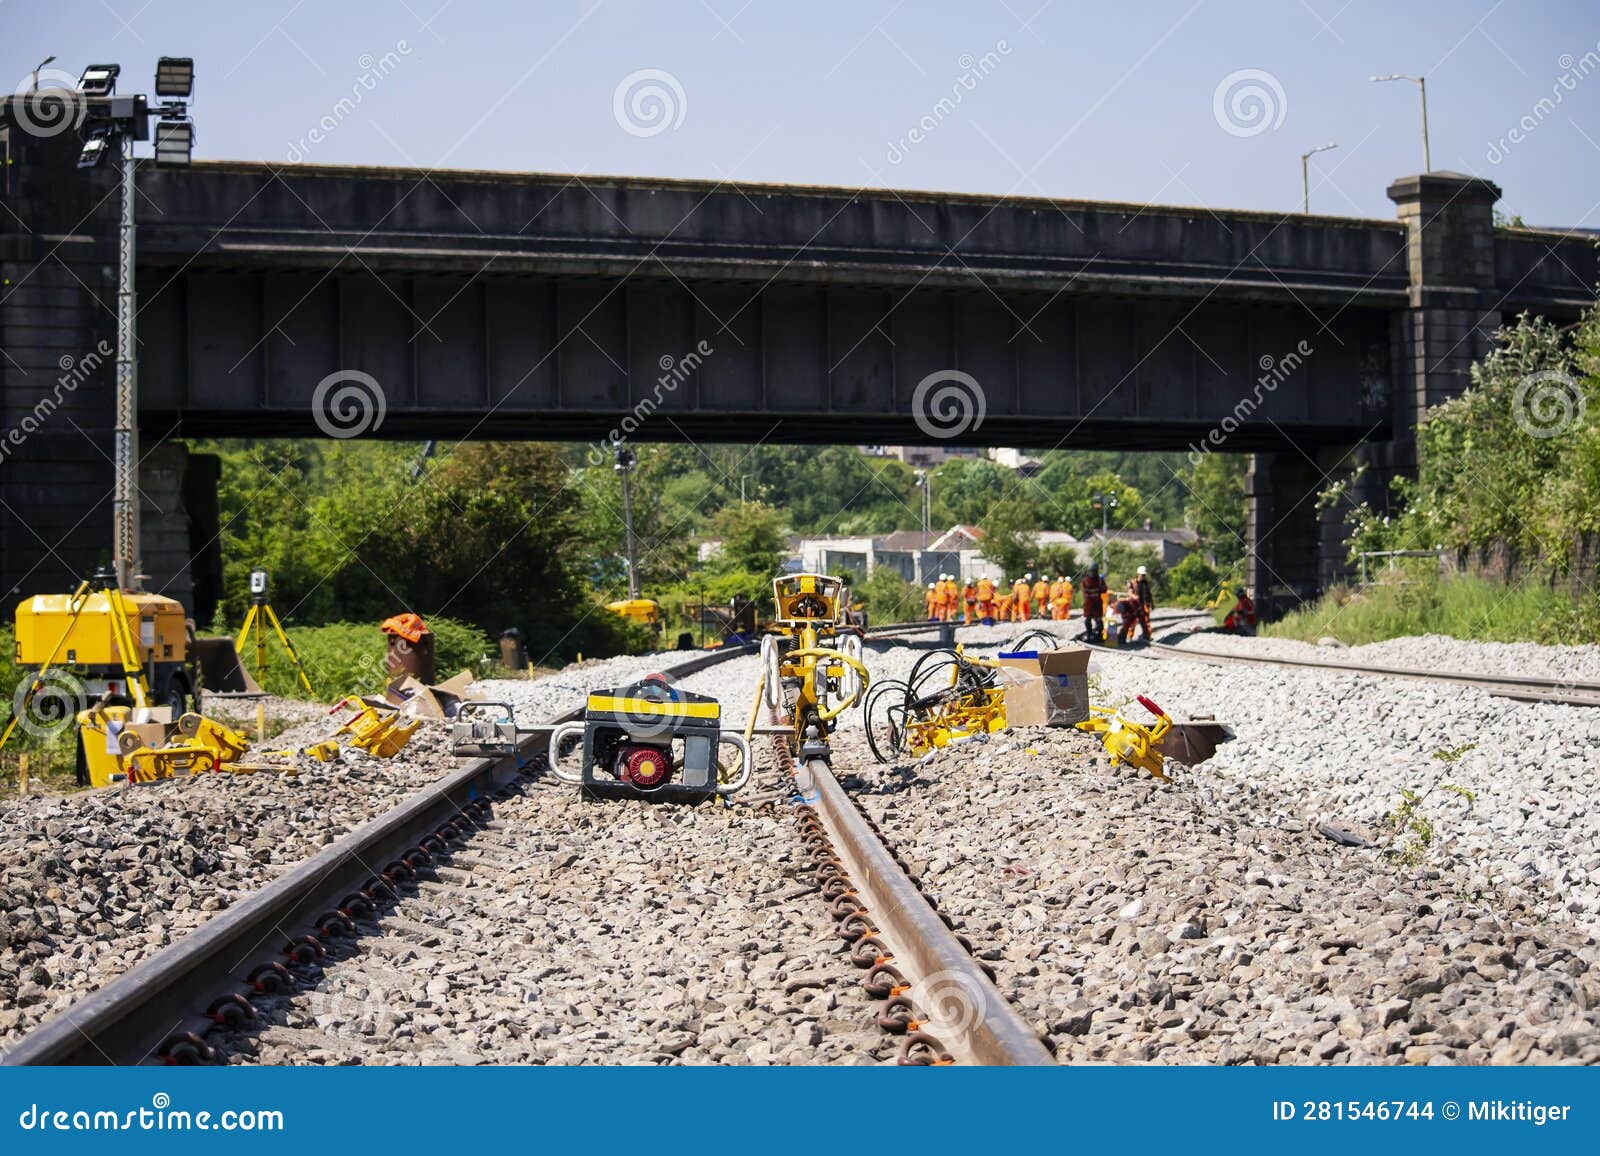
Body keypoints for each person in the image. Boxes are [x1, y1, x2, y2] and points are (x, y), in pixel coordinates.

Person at [1080, 565, 1108, 642]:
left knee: (1098, 620)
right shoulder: (1086, 580)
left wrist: (1100, 587)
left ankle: (1098, 635)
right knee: (1088, 620)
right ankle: (1090, 634)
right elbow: (1084, 591)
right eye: (1092, 571)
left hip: (1096, 603)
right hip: (1089, 603)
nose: (1093, 573)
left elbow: (1105, 589)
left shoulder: (1099, 579)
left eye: (1094, 571)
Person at [1133, 566, 1154, 641]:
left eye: (1144, 575)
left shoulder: (1146, 583)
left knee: (1146, 621)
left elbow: (1149, 594)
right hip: (1136, 605)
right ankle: (1129, 636)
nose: (1143, 577)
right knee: (1133, 621)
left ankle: (1147, 636)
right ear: (1138, 574)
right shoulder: (1134, 583)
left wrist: (1152, 603)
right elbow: (1130, 593)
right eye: (1142, 575)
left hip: (1145, 605)